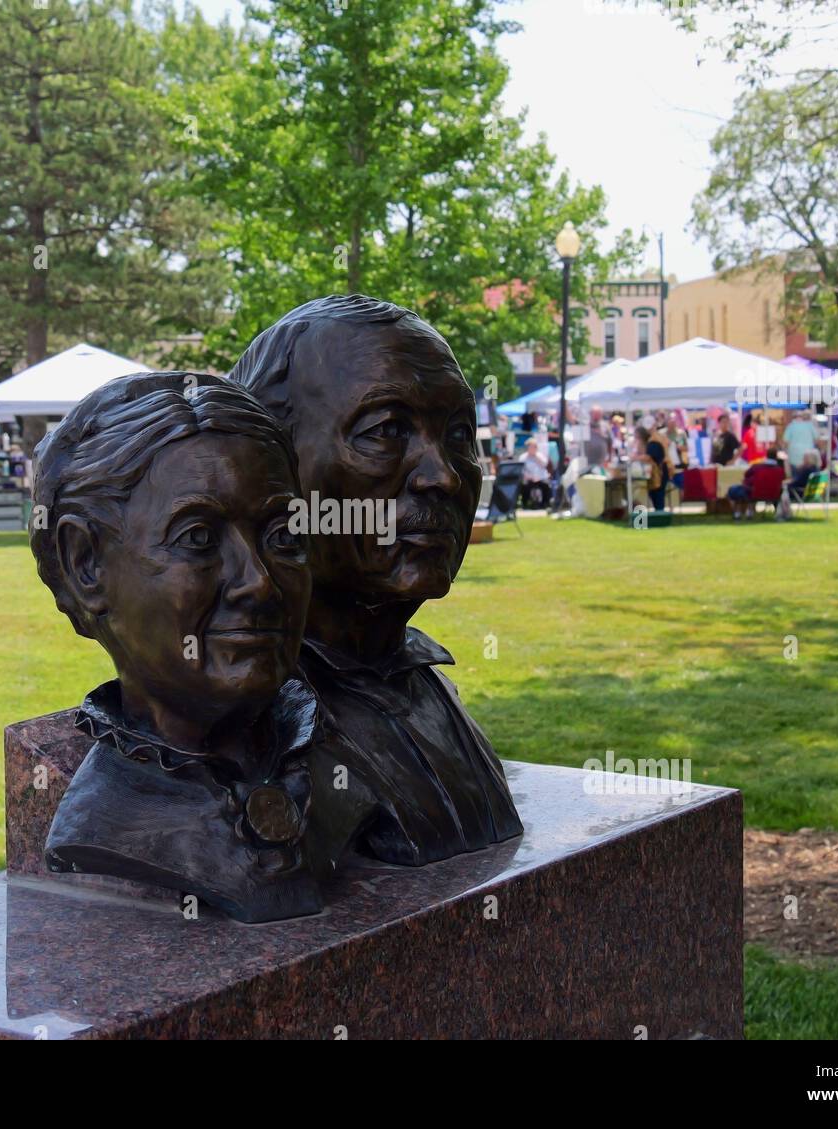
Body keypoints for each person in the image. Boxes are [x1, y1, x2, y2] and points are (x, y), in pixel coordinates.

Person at [34, 372, 377, 923]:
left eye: (281, 537)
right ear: (86, 564)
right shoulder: (105, 823)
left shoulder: (347, 765)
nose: (260, 582)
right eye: (196, 538)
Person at [230, 293, 523, 866]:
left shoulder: (428, 690)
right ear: (271, 468)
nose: (442, 475)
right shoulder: (243, 729)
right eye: (387, 430)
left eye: (461, 436)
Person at [727, 449, 785, 520]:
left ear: (766, 455)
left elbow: (746, 474)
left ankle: (738, 513)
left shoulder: (757, 467)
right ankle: (749, 511)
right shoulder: (780, 470)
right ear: (776, 457)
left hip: (755, 493)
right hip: (773, 494)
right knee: (745, 489)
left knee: (734, 490)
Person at [634, 425, 669, 512]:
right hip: (654, 473)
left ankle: (660, 513)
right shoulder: (647, 444)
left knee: (658, 494)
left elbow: (648, 457)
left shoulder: (652, 444)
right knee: (654, 494)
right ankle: (658, 512)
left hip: (660, 473)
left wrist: (634, 458)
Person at [520, 436, 552, 509]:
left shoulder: (540, 456)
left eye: (534, 447)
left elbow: (545, 465)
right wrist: (530, 477)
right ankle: (525, 504)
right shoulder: (523, 457)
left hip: (541, 478)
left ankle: (545, 504)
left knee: (546, 485)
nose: (532, 449)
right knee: (524, 486)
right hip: (529, 479)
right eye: (530, 447)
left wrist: (536, 457)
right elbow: (522, 471)